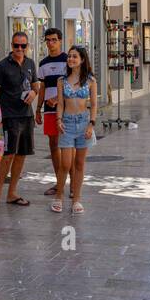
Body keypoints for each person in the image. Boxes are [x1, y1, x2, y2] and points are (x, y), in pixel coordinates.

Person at [0, 31, 40, 210]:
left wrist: (34, 92)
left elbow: (36, 86)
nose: (19, 49)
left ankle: (12, 193)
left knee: (21, 155)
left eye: (23, 46)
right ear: (11, 45)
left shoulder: (30, 63)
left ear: (27, 46)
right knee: (8, 155)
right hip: (10, 117)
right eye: (16, 45)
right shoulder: (2, 66)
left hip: (27, 116)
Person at [53, 44, 98, 214]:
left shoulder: (91, 81)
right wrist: (58, 120)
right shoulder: (61, 81)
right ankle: (59, 196)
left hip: (84, 124)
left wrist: (91, 124)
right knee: (65, 164)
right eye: (69, 56)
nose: (71, 59)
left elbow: (93, 105)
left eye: (74, 57)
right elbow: (60, 105)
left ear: (82, 60)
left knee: (79, 163)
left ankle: (77, 199)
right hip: (67, 124)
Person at [36, 27, 69, 198]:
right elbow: (42, 87)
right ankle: (59, 183)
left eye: (54, 40)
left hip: (66, 110)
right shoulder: (43, 64)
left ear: (60, 40)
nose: (50, 43)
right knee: (54, 146)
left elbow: (73, 84)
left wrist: (57, 98)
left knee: (68, 147)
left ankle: (72, 184)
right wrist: (38, 109)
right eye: (48, 40)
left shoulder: (68, 60)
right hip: (48, 111)